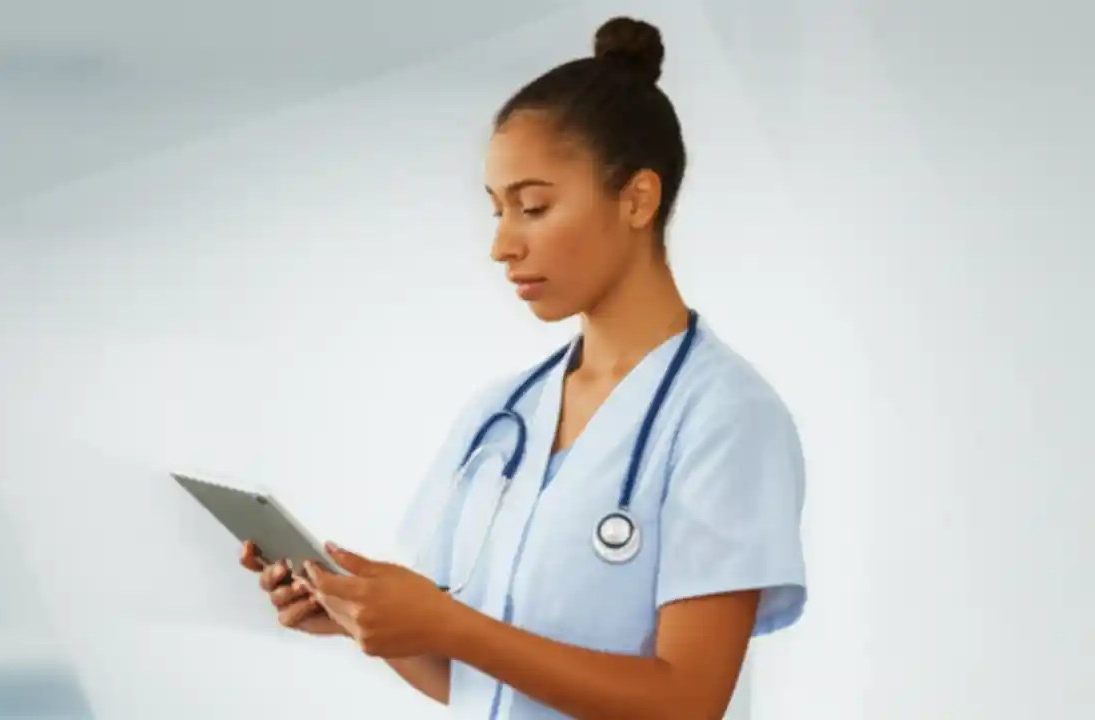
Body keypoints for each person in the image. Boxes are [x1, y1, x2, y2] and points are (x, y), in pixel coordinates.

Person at [239, 15, 807, 720]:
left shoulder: (726, 417)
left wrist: (449, 626)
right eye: (496, 211)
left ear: (637, 199)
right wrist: (371, 624)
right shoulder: (501, 414)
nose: (502, 245)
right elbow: (482, 681)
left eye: (533, 207)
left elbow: (687, 701)